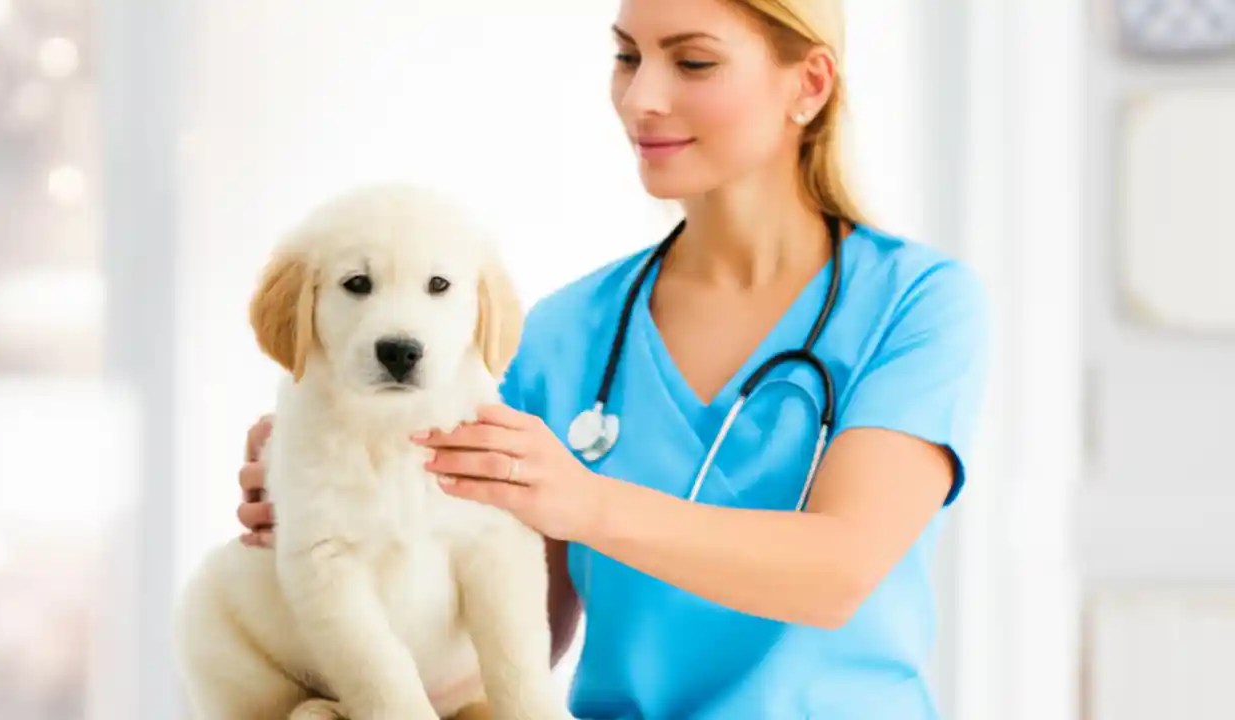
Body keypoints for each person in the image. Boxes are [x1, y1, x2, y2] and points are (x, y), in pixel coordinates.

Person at [236, 0, 992, 717]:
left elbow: (839, 573)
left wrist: (584, 500)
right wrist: (343, 471)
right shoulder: (566, 331)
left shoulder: (914, 301)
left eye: (692, 62)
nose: (640, 99)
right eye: (627, 57)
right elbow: (509, 638)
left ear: (810, 84)